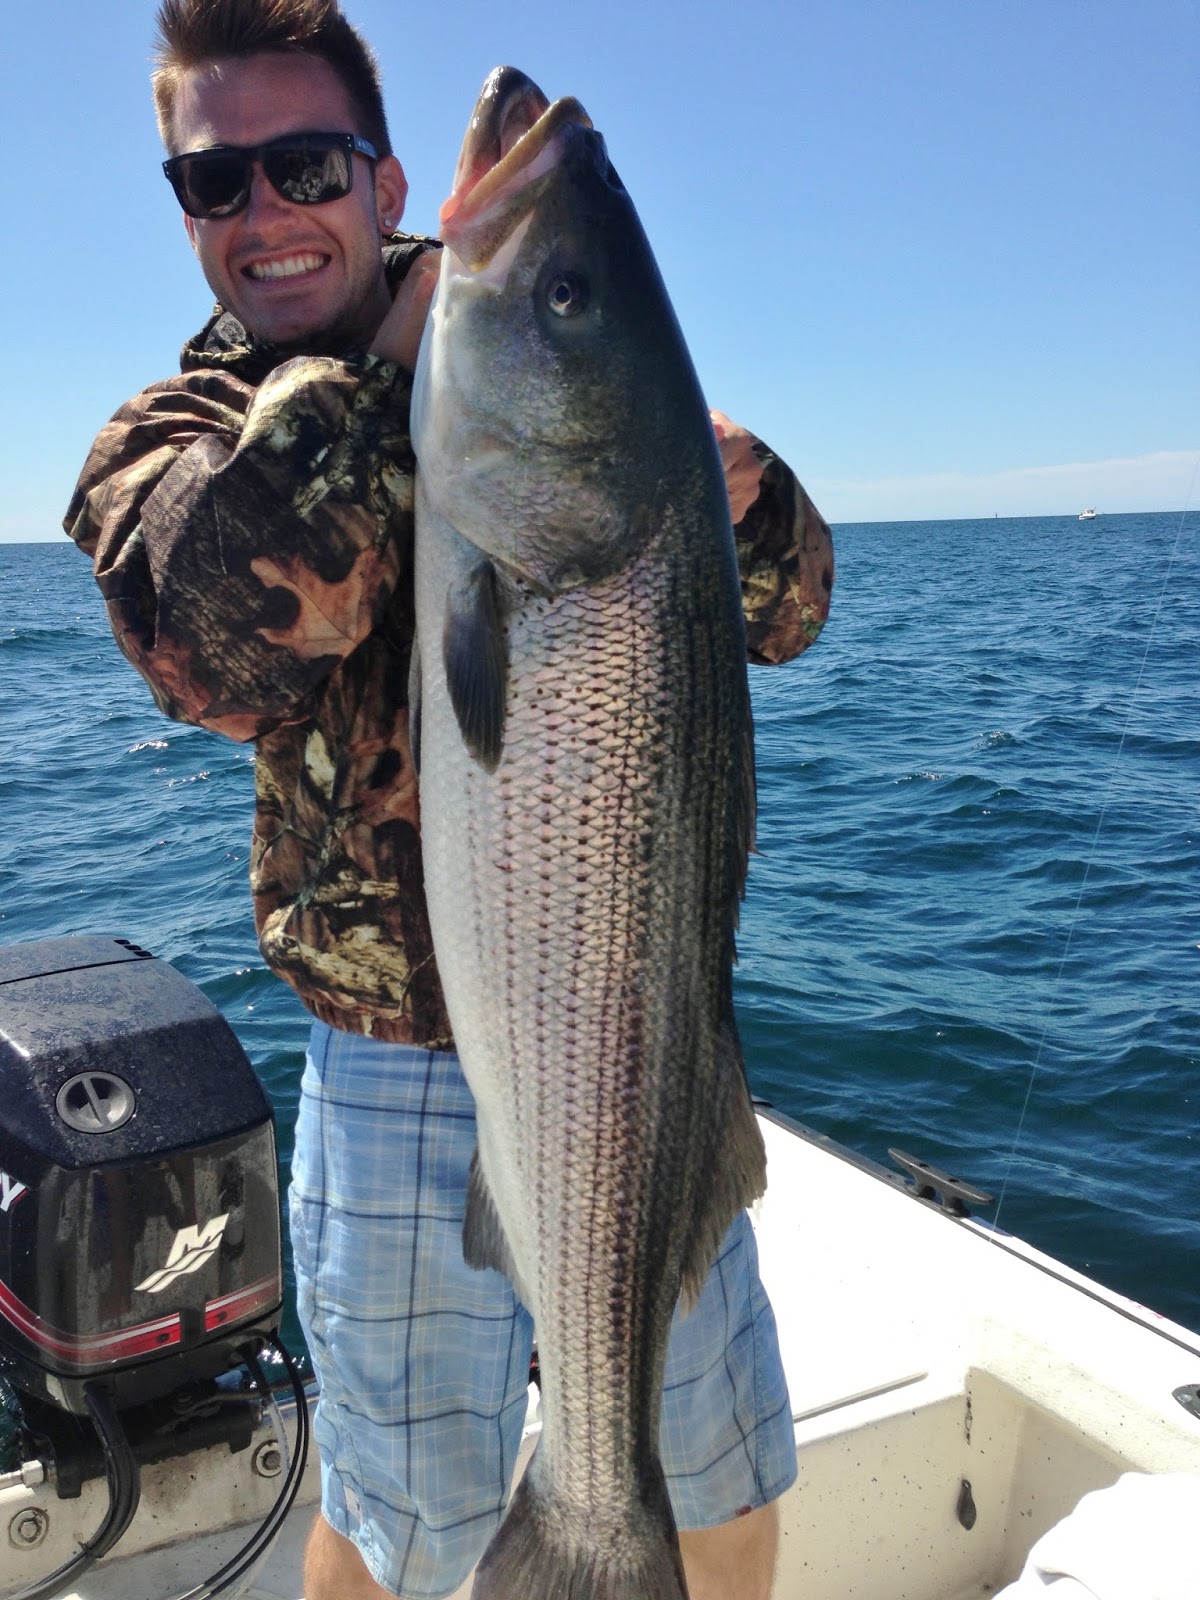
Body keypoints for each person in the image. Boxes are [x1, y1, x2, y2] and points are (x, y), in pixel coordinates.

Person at [64, 3, 835, 1597]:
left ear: (380, 171)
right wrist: (427, 352)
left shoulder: (518, 362)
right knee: (397, 1516)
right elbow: (208, 628)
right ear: (187, 210)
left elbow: (789, 599)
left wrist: (699, 464)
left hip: (643, 1045)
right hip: (388, 1064)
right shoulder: (180, 432)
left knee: (717, 1459)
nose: (266, 211)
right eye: (216, 182)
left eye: (304, 164)